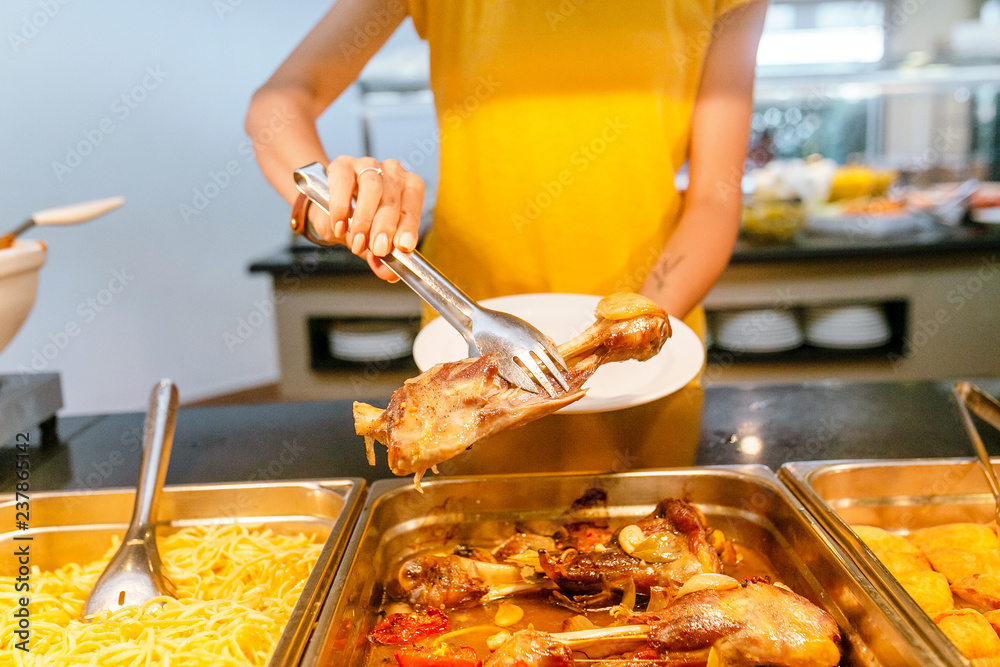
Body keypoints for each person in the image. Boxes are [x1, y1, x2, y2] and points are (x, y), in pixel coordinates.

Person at [246, 0, 768, 341]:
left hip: (651, 340)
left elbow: (714, 198)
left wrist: (620, 338)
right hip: (470, 340)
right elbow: (277, 105)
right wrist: (329, 201)